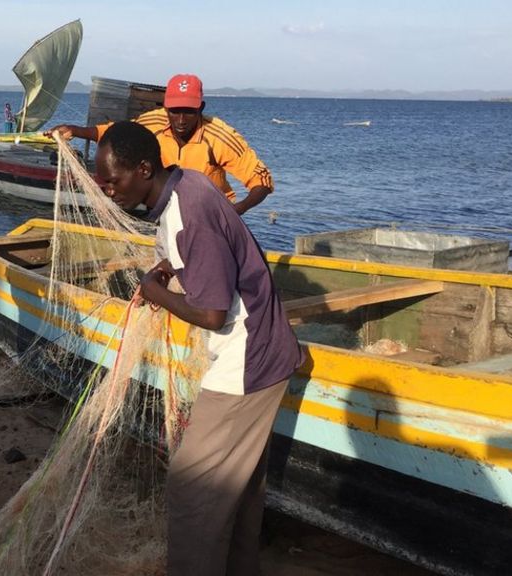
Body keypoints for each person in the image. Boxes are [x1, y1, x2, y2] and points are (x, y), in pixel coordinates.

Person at [94, 121, 304, 576]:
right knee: (238, 489)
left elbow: (211, 314)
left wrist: (154, 291)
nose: (107, 191)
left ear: (144, 169)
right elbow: (201, 250)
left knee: (193, 487)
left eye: (112, 181)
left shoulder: (189, 212)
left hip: (247, 362)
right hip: (266, 351)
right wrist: (170, 267)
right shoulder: (186, 184)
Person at [49, 74, 274, 215]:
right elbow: (115, 133)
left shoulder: (219, 136)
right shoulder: (154, 122)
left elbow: (261, 178)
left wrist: (238, 209)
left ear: (201, 108)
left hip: (211, 215)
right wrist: (75, 130)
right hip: (166, 211)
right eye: (174, 111)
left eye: (189, 112)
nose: (181, 120)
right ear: (166, 108)